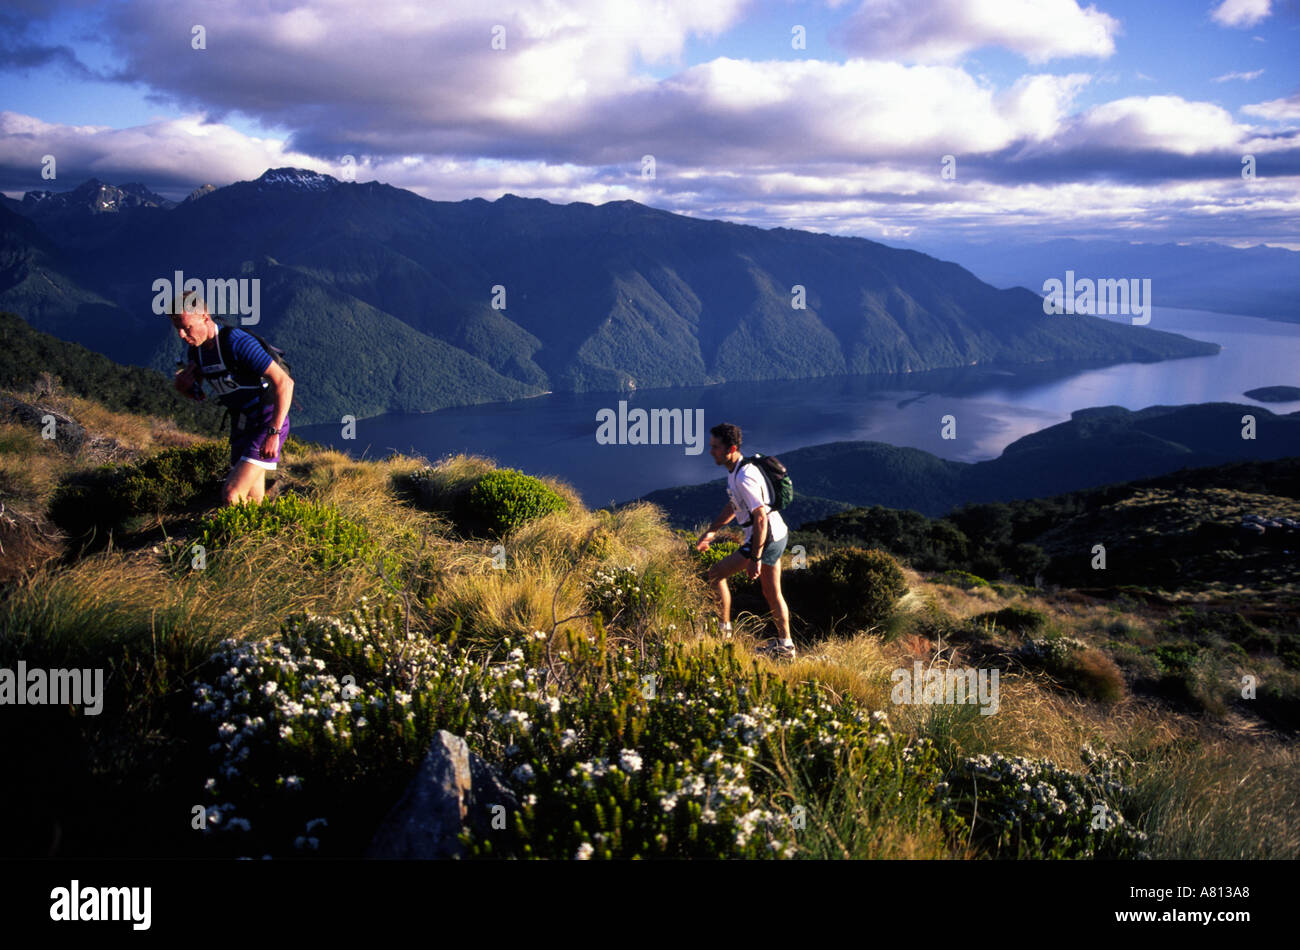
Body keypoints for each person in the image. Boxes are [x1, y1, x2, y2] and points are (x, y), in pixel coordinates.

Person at [168, 291, 294, 506]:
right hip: (242, 424)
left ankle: (233, 537)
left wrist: (274, 432)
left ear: (205, 318)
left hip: (266, 420)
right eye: (177, 328)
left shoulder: (237, 343)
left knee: (231, 494)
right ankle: (256, 537)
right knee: (252, 500)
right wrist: (184, 388)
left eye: (186, 327)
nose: (181, 334)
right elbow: (199, 394)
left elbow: (284, 383)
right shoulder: (195, 353)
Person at [694, 422, 795, 660]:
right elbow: (734, 505)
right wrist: (712, 531)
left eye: (715, 447)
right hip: (777, 533)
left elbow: (759, 516)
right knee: (772, 592)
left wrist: (755, 558)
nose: (711, 451)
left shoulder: (744, 476)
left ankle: (723, 631)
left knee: (716, 574)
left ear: (731, 448)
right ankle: (785, 646)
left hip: (767, 536)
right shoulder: (737, 471)